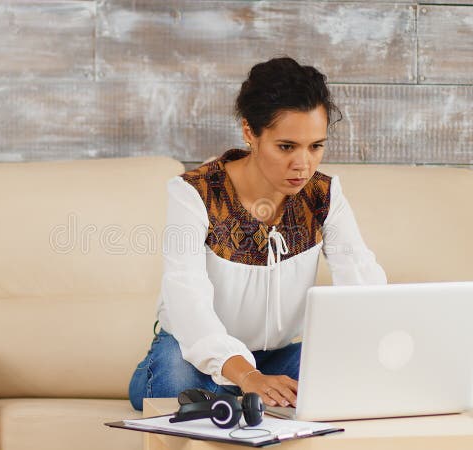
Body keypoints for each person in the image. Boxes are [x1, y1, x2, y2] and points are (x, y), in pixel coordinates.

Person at [128, 56, 387, 411]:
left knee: (350, 380)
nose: (303, 165)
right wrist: (246, 376)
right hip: (193, 354)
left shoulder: (324, 195)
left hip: (276, 358)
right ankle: (243, 397)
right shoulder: (195, 193)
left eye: (315, 146)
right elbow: (186, 299)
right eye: (286, 147)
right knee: (176, 385)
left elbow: (362, 283)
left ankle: (235, 405)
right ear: (250, 132)